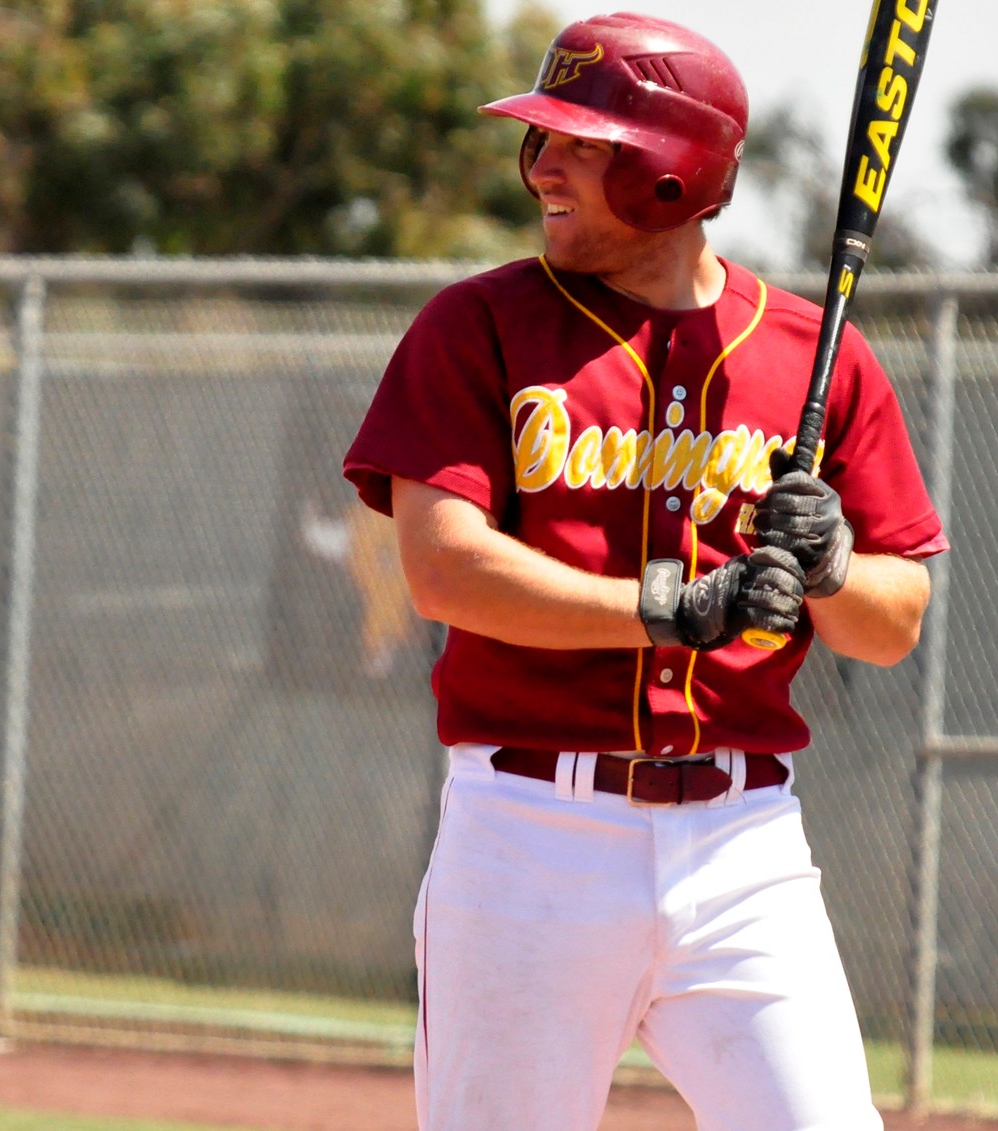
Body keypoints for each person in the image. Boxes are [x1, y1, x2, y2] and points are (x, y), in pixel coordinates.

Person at [343, 12, 947, 1130]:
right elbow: (445, 570)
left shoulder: (812, 353)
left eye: (582, 142)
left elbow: (893, 620)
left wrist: (830, 566)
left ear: (675, 175)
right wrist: (668, 610)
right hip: (531, 838)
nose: (543, 167)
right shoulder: (477, 327)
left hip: (745, 849)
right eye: (542, 139)